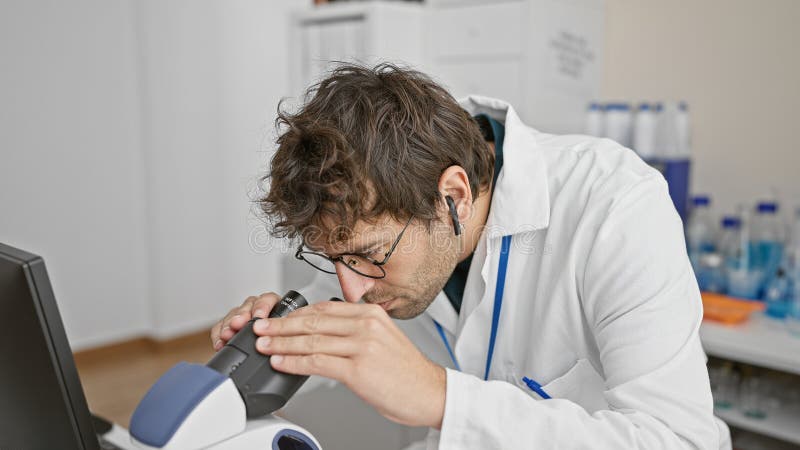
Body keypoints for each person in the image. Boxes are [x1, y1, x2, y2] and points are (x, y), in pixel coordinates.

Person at [210, 63, 725, 449]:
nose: (351, 292)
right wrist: (270, 349)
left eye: (368, 255)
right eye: (333, 259)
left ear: (453, 196)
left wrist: (442, 398)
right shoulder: (380, 232)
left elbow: (681, 440)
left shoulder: (613, 205)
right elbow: (338, 324)